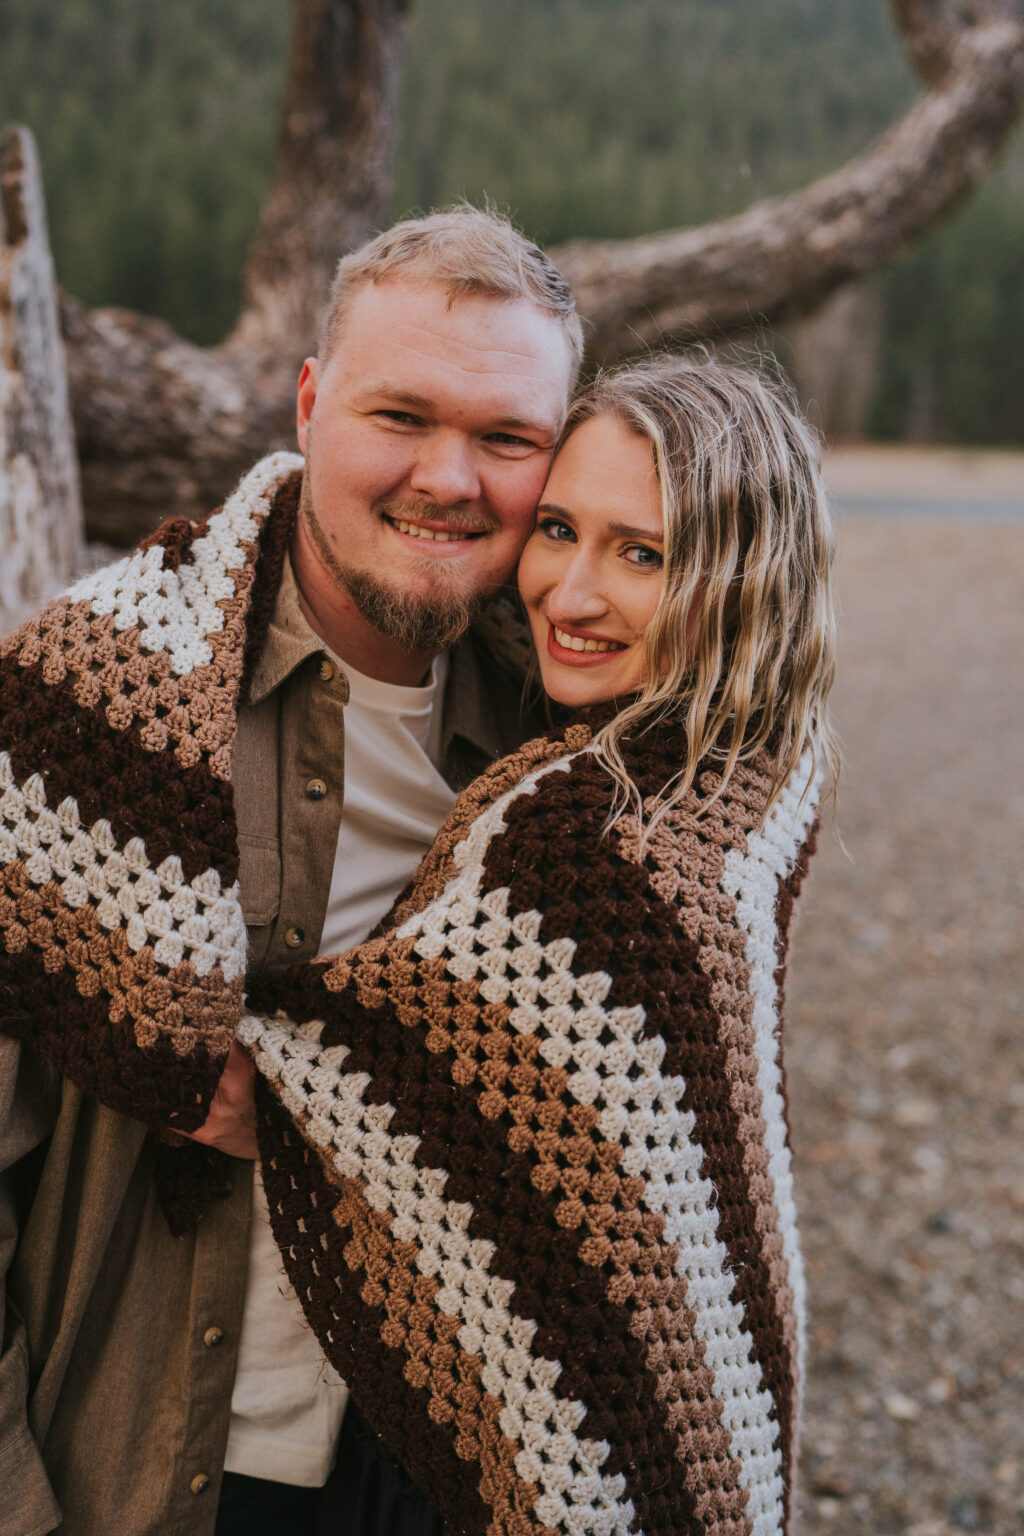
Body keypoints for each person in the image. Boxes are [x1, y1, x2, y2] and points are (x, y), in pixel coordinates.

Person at [0, 204, 582, 1536]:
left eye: (508, 439)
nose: (452, 478)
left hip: (437, 1472)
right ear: (310, 403)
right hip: (138, 1476)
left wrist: (340, 1097)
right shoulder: (97, 706)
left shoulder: (572, 753)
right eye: (402, 417)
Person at [235, 355, 838, 1536]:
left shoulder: (590, 829)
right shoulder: (761, 765)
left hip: (455, 1443)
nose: (568, 591)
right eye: (558, 529)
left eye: (642, 552)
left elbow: (322, 1086)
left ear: (746, 578)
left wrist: (127, 972)